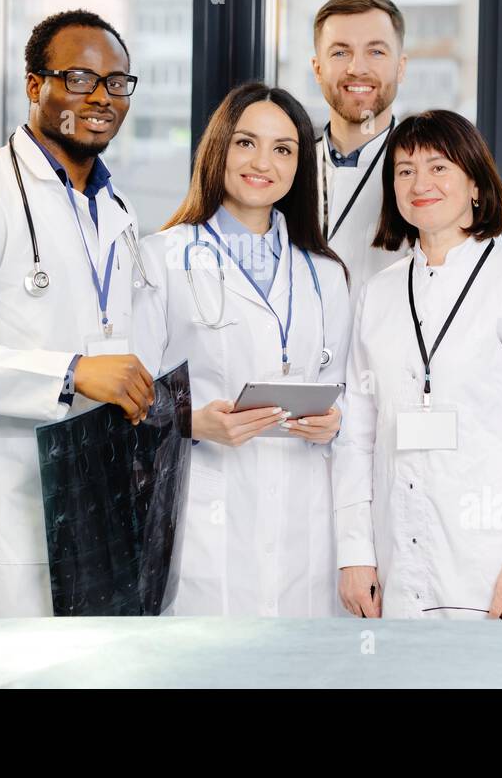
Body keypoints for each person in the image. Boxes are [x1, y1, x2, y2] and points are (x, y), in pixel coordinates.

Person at [0, 9, 156, 618]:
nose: (101, 97)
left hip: (101, 507)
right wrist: (69, 374)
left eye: (117, 83)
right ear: (35, 85)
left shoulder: (117, 209)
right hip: (13, 521)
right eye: (80, 78)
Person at [333, 110, 502, 620]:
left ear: (476, 185)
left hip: (486, 570)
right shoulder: (379, 294)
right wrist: (355, 553)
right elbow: (356, 435)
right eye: (405, 170)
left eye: (439, 167)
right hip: (393, 564)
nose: (420, 183)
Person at [132, 82, 352, 616]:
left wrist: (334, 422)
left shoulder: (327, 274)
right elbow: (126, 399)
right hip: (207, 514)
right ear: (218, 150)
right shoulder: (162, 258)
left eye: (283, 149)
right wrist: (191, 422)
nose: (263, 163)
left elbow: (345, 394)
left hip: (305, 525)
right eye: (246, 143)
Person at [310, 0, 408, 299]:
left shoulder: (431, 178)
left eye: (376, 52)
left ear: (400, 68)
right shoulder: (284, 168)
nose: (357, 68)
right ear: (317, 69)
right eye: (340, 53)